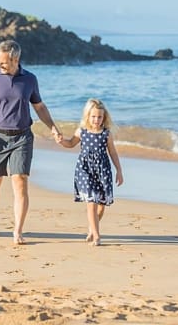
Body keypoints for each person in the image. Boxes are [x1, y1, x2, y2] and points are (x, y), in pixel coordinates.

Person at [0, 40, 63, 245]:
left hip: (22, 137)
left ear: (15, 59)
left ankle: (17, 230)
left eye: (4, 62)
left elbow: (39, 107)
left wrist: (53, 127)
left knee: (20, 182)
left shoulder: (29, 79)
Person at [58, 98, 124, 246]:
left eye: (99, 117)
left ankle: (92, 228)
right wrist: (61, 141)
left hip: (103, 171)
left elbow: (113, 153)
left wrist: (119, 170)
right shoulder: (81, 131)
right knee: (91, 202)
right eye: (93, 116)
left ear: (104, 117)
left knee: (101, 205)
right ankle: (97, 236)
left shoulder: (106, 134)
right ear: (87, 116)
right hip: (85, 169)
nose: (96, 120)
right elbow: (70, 143)